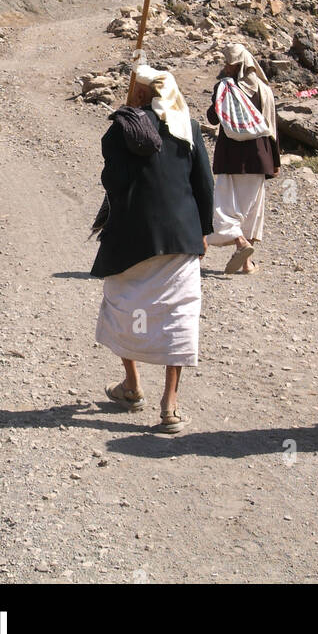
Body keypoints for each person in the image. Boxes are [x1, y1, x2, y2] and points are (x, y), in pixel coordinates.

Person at [91, 63, 214, 432]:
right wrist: (202, 231)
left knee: (125, 309)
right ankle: (170, 405)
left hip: (129, 238)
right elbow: (203, 184)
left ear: (141, 93)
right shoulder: (188, 128)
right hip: (180, 237)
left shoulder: (120, 128)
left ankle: (131, 385)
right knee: (177, 315)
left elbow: (111, 180)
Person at [205, 42, 280, 274]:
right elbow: (271, 127)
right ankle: (247, 263)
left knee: (225, 206)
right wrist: (275, 161)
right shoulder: (264, 90)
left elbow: (213, 119)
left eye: (229, 64)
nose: (226, 68)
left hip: (231, 158)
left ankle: (240, 243)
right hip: (260, 157)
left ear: (234, 65)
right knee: (252, 210)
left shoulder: (225, 88)